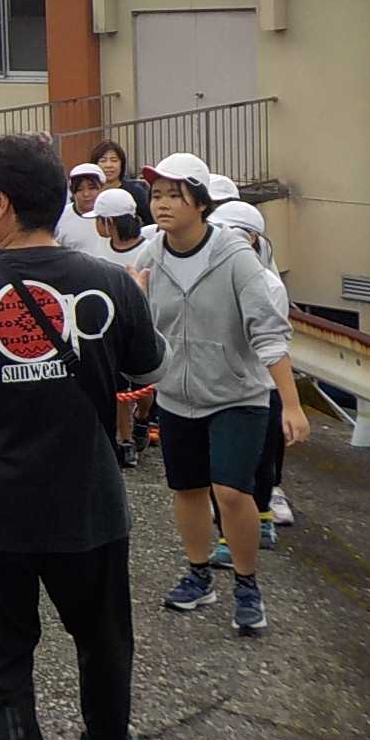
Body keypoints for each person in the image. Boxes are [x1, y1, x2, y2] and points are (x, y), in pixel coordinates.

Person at [0, 134, 171, 740]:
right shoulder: (109, 284)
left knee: (2, 660)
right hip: (91, 509)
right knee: (104, 643)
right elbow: (152, 366)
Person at [134, 153, 308, 637]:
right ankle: (198, 575)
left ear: (202, 203)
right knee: (186, 489)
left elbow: (269, 332)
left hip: (237, 395)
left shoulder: (233, 256)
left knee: (232, 491)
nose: (163, 205)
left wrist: (291, 404)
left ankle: (248, 585)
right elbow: (139, 324)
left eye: (175, 195)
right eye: (157, 195)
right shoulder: (151, 256)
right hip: (176, 396)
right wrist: (132, 298)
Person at [206, 200, 293, 558]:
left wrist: (292, 403)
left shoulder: (266, 283)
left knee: (250, 466)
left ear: (252, 238)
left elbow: (269, 342)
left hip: (256, 386)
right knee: (229, 467)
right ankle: (255, 527)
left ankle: (251, 531)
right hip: (222, 382)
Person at [90, 188, 152, 466]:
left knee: (146, 386)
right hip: (109, 328)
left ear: (109, 222)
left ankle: (143, 419)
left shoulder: (147, 250)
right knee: (119, 389)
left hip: (144, 326)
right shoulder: (98, 250)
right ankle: (125, 440)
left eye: (99, 220)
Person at [91, 140, 153, 226]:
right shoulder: (91, 194)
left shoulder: (135, 192)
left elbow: (151, 221)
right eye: (103, 161)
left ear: (122, 164)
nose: (109, 165)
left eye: (114, 160)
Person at [56, 163, 107, 256]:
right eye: (80, 189)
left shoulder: (112, 214)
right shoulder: (60, 216)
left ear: (102, 188)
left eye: (92, 188)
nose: (86, 194)